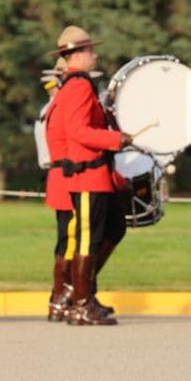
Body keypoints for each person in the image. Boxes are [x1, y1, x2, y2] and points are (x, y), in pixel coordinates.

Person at [47, 25, 133, 326]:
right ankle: (78, 302)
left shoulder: (74, 85)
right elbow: (78, 132)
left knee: (87, 238)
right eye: (90, 51)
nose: (94, 56)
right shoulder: (79, 85)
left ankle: (73, 299)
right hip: (86, 176)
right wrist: (116, 140)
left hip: (89, 175)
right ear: (78, 55)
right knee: (84, 241)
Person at [39, 58, 76, 321]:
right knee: (70, 238)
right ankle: (61, 296)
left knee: (70, 237)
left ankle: (65, 295)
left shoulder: (51, 107)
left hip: (59, 174)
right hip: (64, 174)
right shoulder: (55, 107)